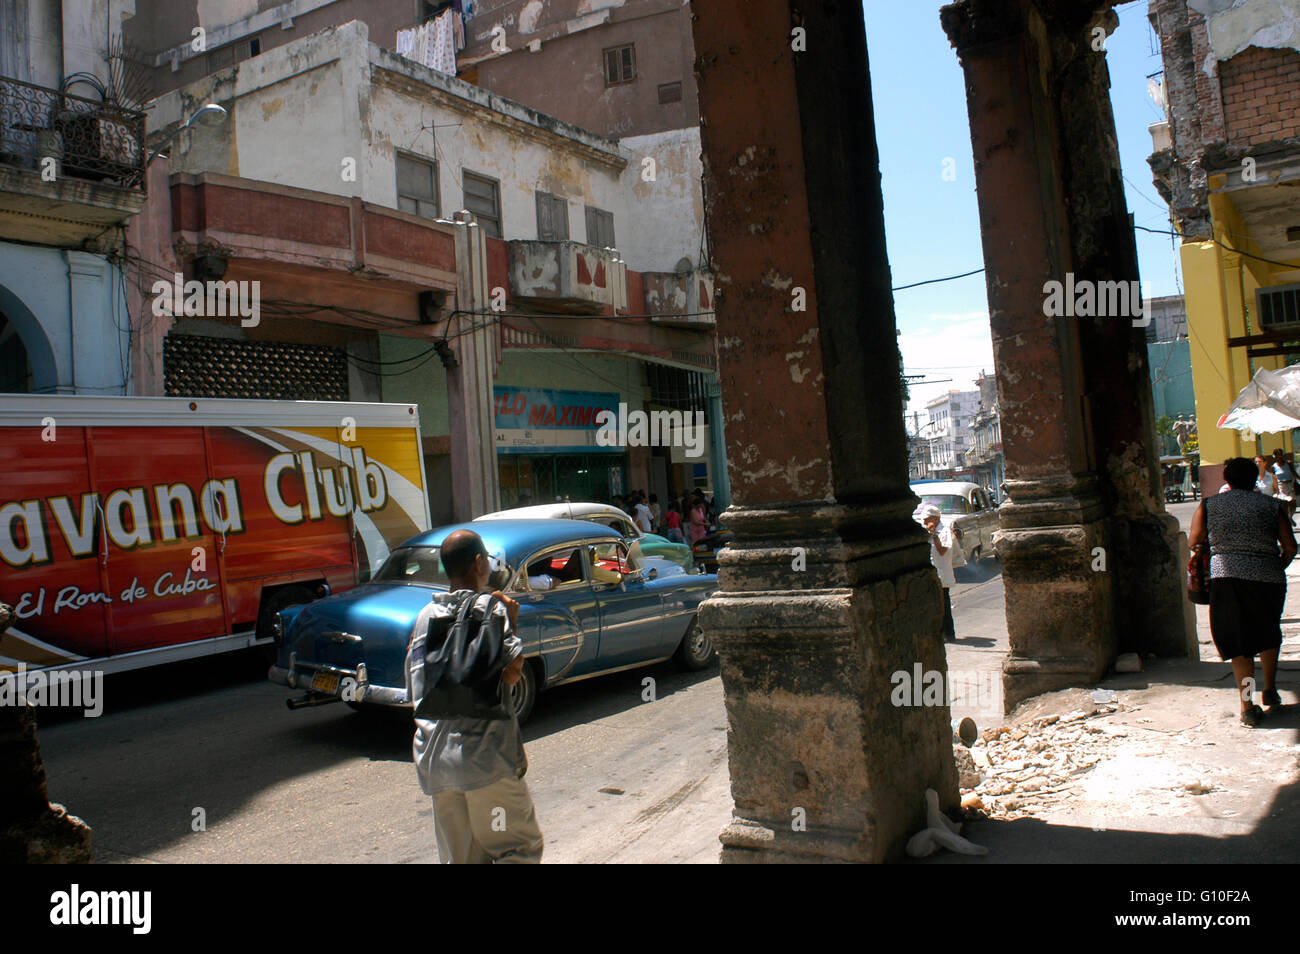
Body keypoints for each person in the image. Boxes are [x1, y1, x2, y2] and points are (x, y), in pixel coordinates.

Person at [407, 529, 544, 862]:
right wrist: (511, 622)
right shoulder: (492, 610)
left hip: (438, 765)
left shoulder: (425, 618)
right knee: (517, 849)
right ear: (479, 562)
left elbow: (415, 686)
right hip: (486, 763)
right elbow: (512, 674)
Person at [1189, 457, 1297, 727]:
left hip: (1227, 580)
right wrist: (1273, 564)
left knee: (1240, 645)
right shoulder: (1272, 505)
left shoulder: (1210, 505)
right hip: (1267, 579)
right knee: (1268, 632)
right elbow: (1290, 547)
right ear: (1254, 479)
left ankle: (1247, 705)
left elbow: (1194, 540)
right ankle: (1270, 689)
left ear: (1226, 478)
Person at [917, 504, 957, 641]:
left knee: (943, 604)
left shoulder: (944, 531)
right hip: (933, 572)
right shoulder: (931, 532)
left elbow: (942, 551)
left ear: (935, 518)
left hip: (942, 573)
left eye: (927, 519)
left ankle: (949, 633)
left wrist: (934, 535)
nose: (924, 522)